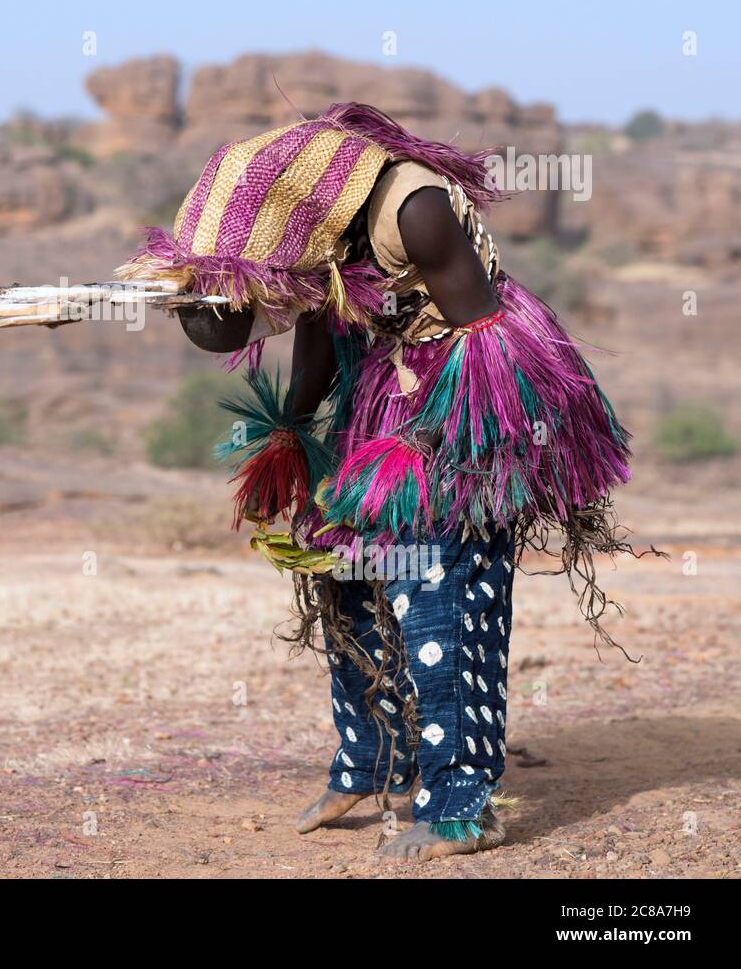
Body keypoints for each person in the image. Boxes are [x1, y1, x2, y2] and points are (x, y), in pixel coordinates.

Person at [119, 102, 639, 862]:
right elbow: (319, 341)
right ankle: (377, 762)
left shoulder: (415, 209)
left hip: (472, 400)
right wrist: (288, 437)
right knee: (347, 574)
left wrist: (424, 450)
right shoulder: (323, 233)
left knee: (441, 587)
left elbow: (484, 336)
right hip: (385, 394)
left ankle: (462, 801)